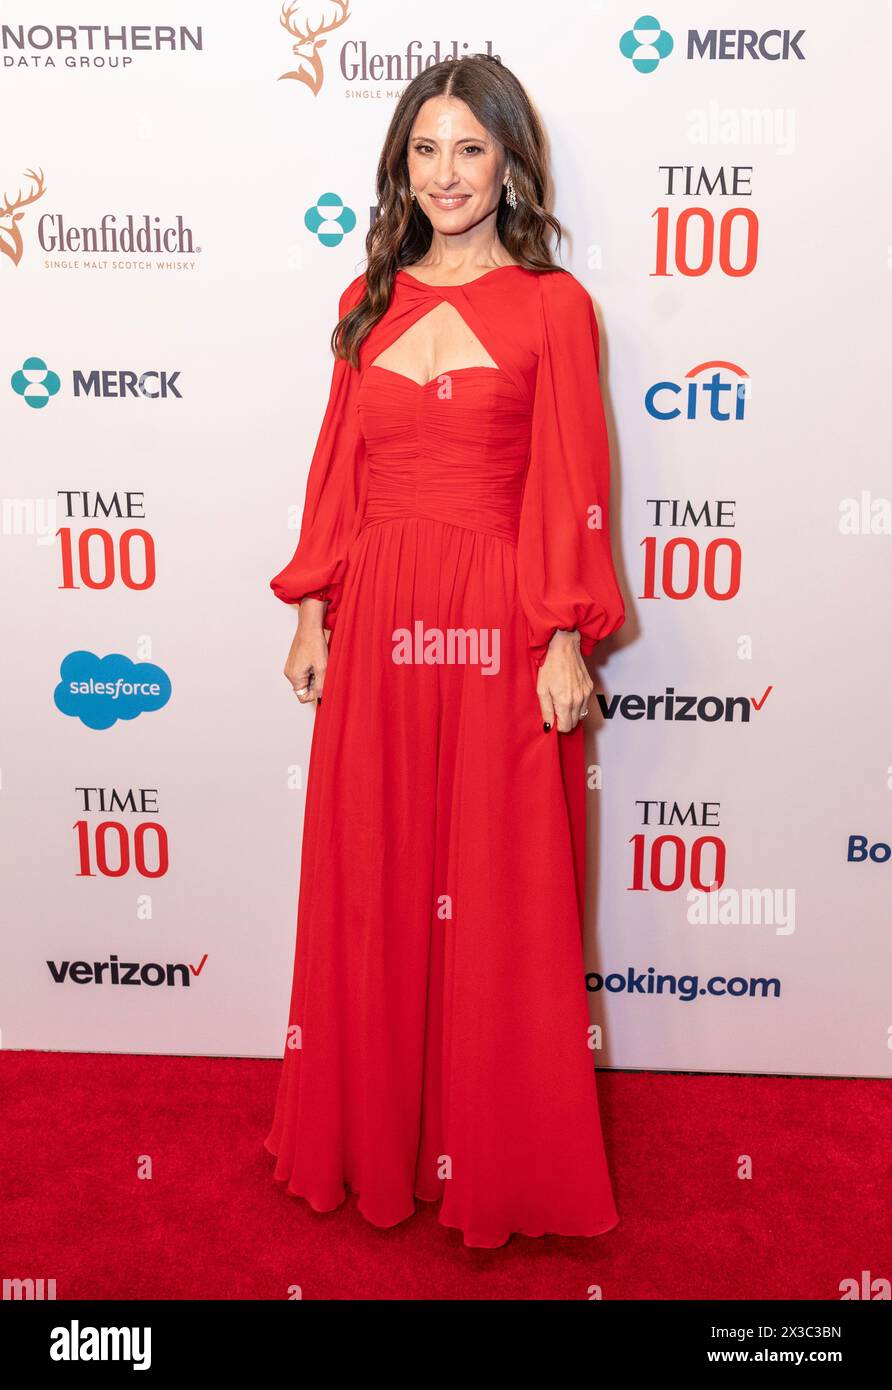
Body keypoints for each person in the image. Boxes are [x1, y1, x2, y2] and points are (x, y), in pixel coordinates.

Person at [264, 54, 626, 1249]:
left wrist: (563, 636)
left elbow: (572, 480)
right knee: (378, 876)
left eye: (469, 148)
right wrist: (313, 611)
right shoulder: (367, 294)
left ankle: (495, 1153)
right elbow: (338, 471)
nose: (445, 174)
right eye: (424, 150)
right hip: (376, 621)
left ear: (510, 159)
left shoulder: (553, 304)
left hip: (496, 618)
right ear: (399, 166)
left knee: (500, 888)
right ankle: (377, 1138)